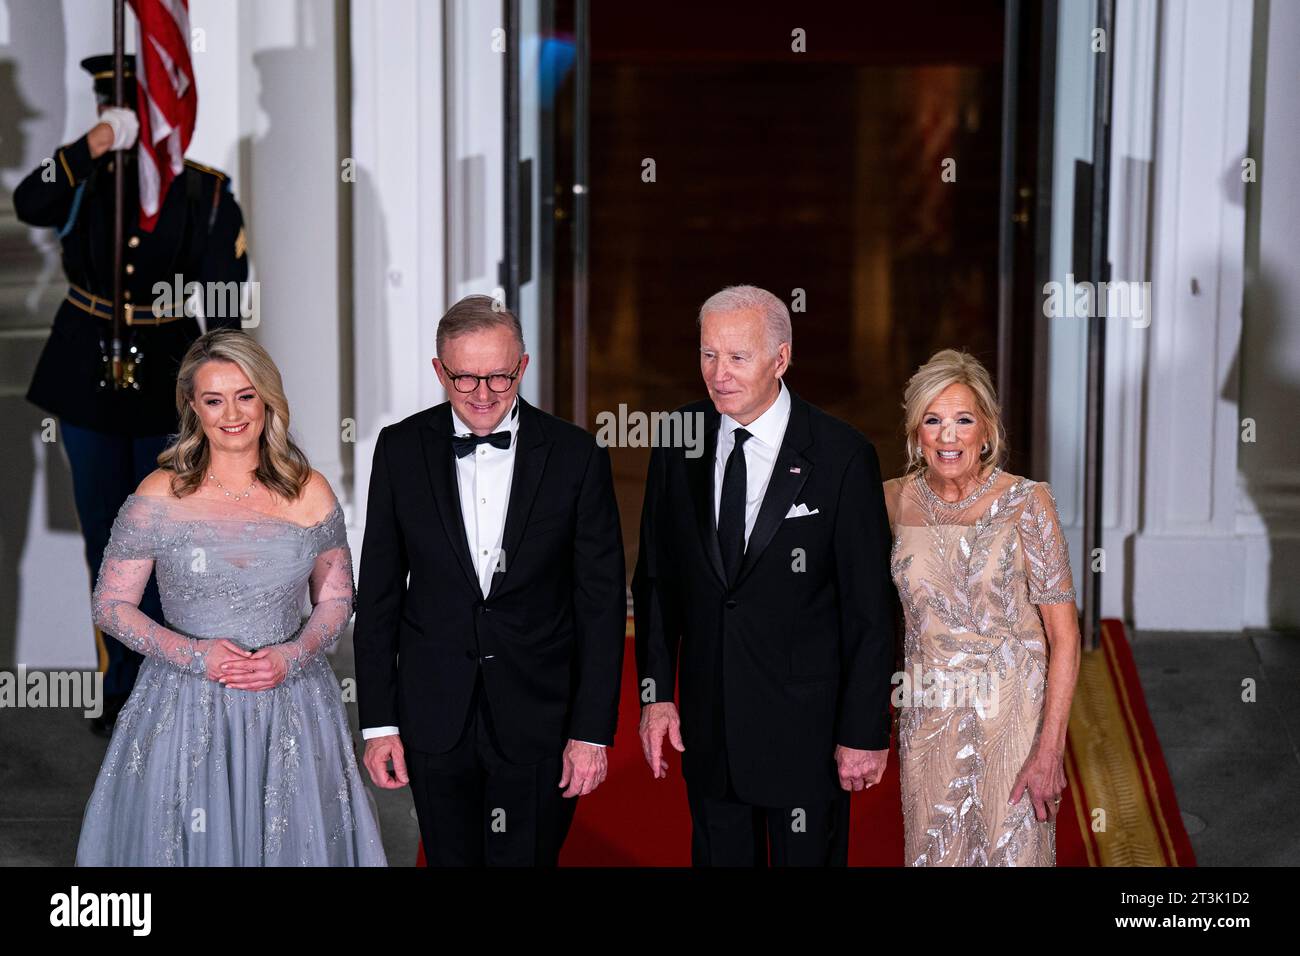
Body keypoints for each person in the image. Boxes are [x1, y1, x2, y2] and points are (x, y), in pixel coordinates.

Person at [75, 329, 386, 866]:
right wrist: (198, 655)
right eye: (213, 400)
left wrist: (291, 655)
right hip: (185, 701)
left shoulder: (308, 490)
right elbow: (111, 604)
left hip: (292, 699)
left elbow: (336, 599)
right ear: (192, 407)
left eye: (245, 396)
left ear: (267, 399)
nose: (232, 414)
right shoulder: (159, 493)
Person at [14, 54, 249, 736]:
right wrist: (88, 150)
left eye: (132, 112)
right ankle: (121, 687)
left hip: (169, 386)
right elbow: (31, 201)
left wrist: (226, 397)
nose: (119, 123)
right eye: (108, 110)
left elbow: (227, 306)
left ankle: (173, 686)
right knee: (107, 539)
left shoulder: (203, 192)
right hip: (86, 380)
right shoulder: (83, 177)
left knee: (173, 541)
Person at [354, 294, 625, 866]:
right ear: (438, 371)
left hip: (540, 719)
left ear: (523, 367)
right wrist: (379, 723)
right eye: (465, 378)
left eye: (499, 377)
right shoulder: (400, 450)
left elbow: (599, 605)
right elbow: (378, 596)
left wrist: (592, 731)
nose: (482, 395)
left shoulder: (576, 456)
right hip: (434, 715)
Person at [632, 285, 895, 866]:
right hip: (710, 730)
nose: (717, 374)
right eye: (708, 354)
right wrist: (656, 695)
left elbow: (870, 610)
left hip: (809, 736)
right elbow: (655, 581)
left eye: (737, 357)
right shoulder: (679, 442)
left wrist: (864, 729)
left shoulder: (842, 455)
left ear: (781, 359)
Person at [883, 349, 1080, 866]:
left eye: (963, 420)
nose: (949, 437)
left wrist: (1049, 750)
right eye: (933, 421)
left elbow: (1065, 637)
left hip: (1012, 724)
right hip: (930, 721)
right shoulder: (889, 501)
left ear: (987, 430)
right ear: (915, 432)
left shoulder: (1027, 502)